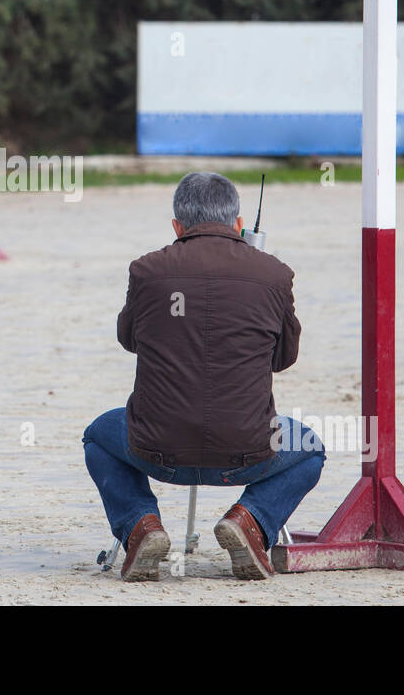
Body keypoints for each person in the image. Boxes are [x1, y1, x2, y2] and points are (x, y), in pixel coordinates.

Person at [82, 172, 324, 581]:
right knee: (311, 449)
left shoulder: (146, 271)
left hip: (156, 450)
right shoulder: (274, 275)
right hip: (246, 454)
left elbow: (129, 339)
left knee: (98, 436)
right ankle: (249, 520)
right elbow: (283, 358)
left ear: (177, 227)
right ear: (239, 223)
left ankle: (142, 525)